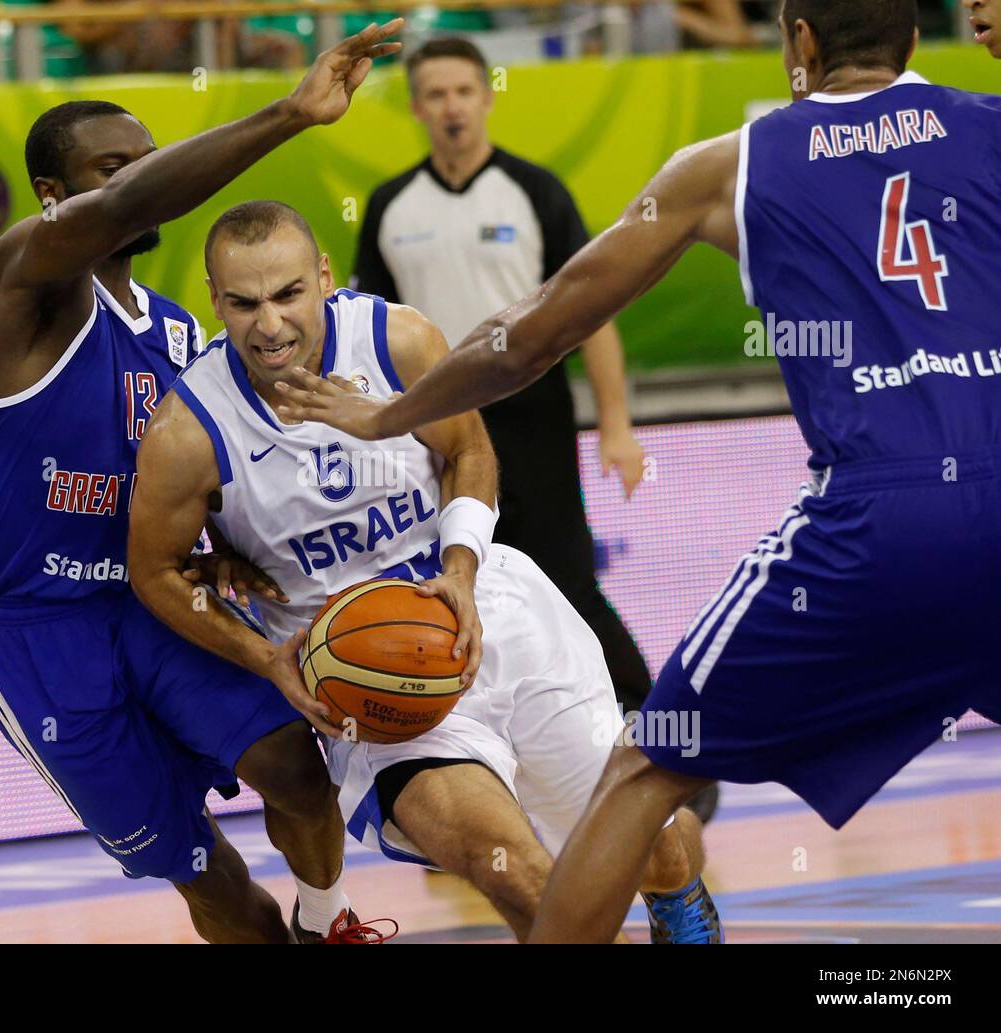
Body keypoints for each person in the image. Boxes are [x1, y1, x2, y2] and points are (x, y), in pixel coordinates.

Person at [272, 0, 1001, 943]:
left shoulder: (733, 164)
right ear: (915, 36)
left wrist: (387, 412)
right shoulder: (986, 127)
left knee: (647, 764)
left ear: (801, 41)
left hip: (878, 512)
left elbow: (530, 335)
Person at [126, 201, 719, 944]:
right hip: (375, 685)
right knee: (510, 869)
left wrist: (461, 571)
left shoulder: (396, 339)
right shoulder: (188, 430)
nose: (269, 324)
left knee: (657, 849)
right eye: (243, 304)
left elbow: (469, 450)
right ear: (215, 301)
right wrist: (268, 657)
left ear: (323, 277)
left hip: (497, 616)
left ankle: (681, 895)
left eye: (286, 295)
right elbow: (153, 571)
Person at [0, 22, 405, 945]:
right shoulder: (17, 289)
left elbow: (217, 481)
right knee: (204, 876)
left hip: (158, 600)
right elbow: (118, 211)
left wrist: (227, 542)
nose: (147, 176)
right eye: (118, 168)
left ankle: (325, 919)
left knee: (299, 772)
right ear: (54, 195)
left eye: (149, 158)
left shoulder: (184, 334)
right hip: (36, 627)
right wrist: (291, 114)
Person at [353, 37, 721, 823]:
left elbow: (594, 316)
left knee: (569, 584)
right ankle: (480, 783)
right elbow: (370, 336)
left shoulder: (534, 191)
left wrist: (616, 425)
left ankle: (676, 755)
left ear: (486, 97)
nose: (451, 105)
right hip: (435, 431)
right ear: (416, 106)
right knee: (450, 594)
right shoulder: (389, 207)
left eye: (463, 91)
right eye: (435, 93)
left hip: (532, 415)